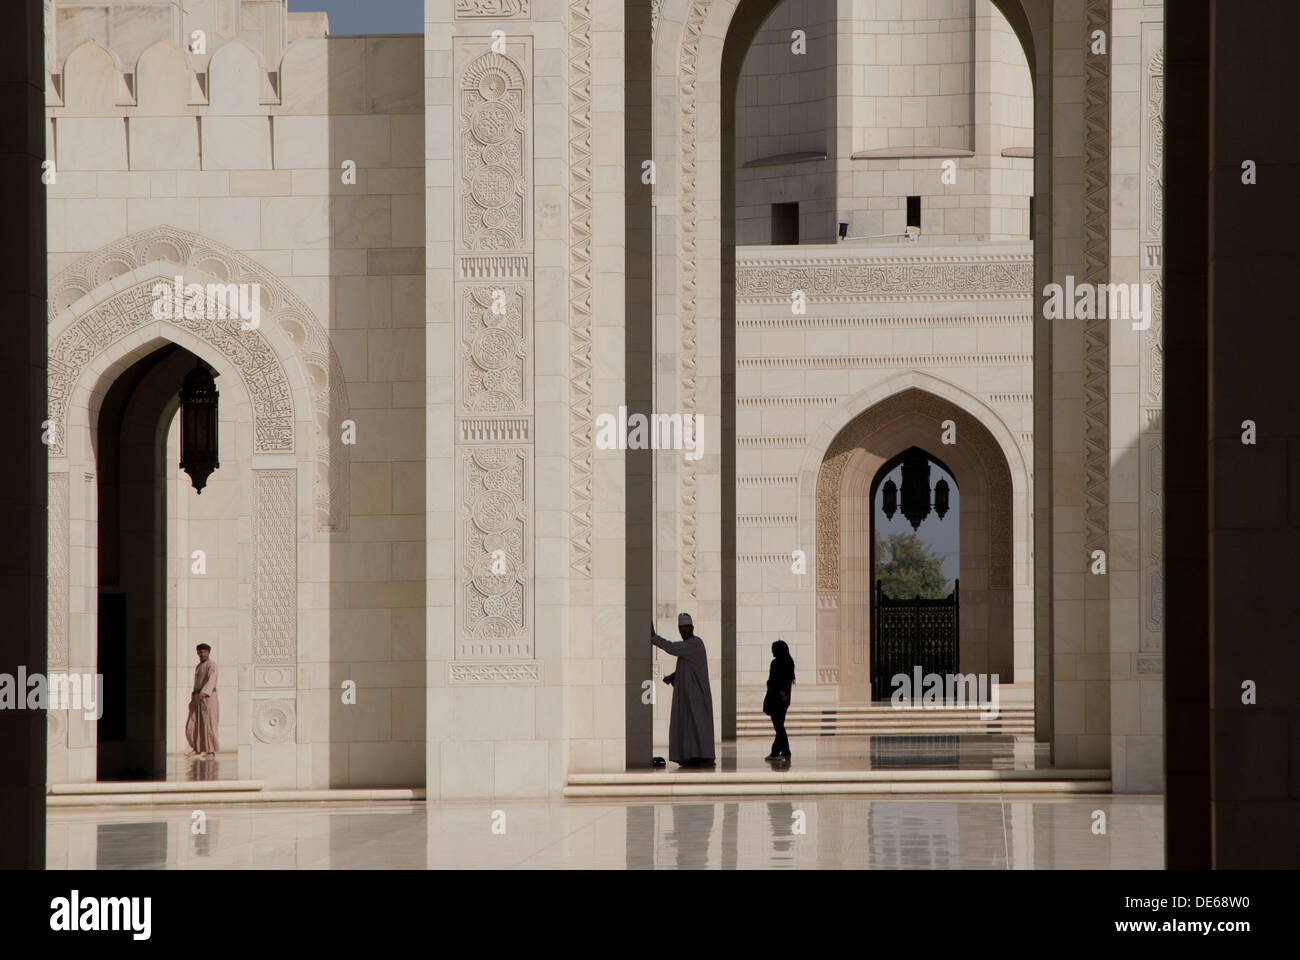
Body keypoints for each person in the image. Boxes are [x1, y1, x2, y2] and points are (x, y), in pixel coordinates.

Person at [650, 613, 716, 766]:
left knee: (698, 727)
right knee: (689, 729)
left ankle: (703, 756)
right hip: (688, 697)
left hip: (697, 696)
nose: (684, 631)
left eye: (686, 628)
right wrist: (674, 677)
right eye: (681, 629)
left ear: (692, 628)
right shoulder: (689, 647)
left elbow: (672, 647)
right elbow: (689, 667)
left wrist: (654, 637)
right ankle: (691, 756)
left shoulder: (695, 643)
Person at [762, 639, 795, 763]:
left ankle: (776, 751)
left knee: (779, 727)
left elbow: (773, 681)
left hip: (776, 699)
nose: (772, 651)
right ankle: (785, 751)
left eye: (774, 649)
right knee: (779, 726)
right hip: (784, 699)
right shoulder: (789, 662)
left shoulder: (776, 663)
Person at [185, 643, 219, 758]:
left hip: (208, 697)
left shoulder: (212, 665)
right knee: (194, 723)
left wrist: (204, 692)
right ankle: (197, 748)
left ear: (208, 652)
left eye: (204, 652)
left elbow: (212, 679)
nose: (202, 654)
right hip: (197, 697)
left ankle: (211, 751)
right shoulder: (199, 666)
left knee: (208, 723)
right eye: (200, 652)